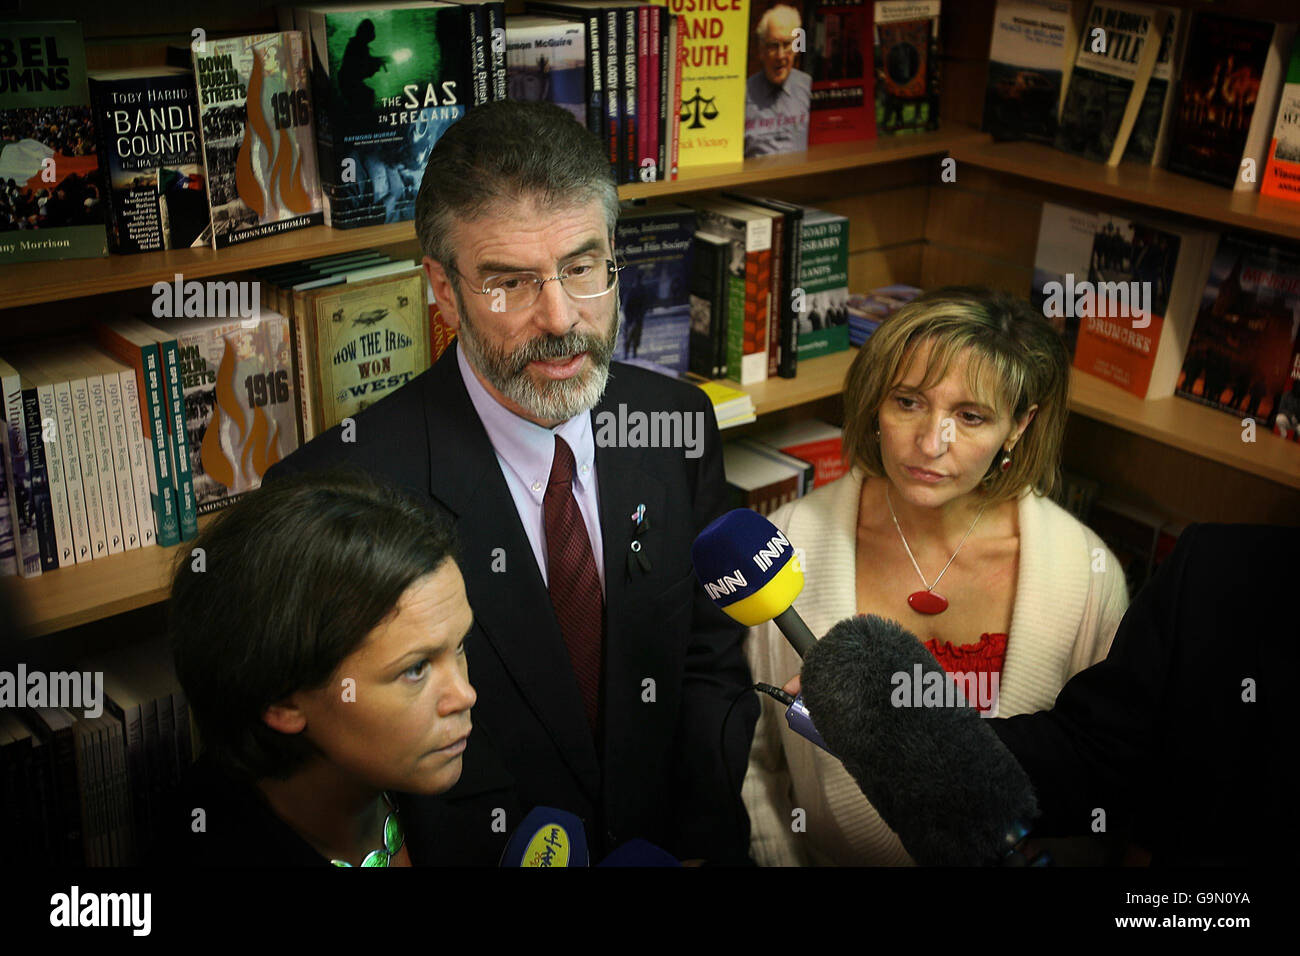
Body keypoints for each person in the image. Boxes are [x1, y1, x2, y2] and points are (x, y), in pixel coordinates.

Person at [265, 99, 758, 865]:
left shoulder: (676, 422)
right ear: (442, 287)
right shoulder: (334, 489)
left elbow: (707, 660)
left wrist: (694, 847)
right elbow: (341, 772)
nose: (561, 318)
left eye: (582, 267)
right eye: (510, 282)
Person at [743, 286, 1129, 865]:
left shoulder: (1085, 572)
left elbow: (1107, 777)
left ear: (1020, 426)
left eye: (970, 417)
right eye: (908, 403)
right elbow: (751, 763)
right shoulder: (785, 542)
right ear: (876, 402)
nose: (930, 443)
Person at [160, 468, 474, 866]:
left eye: (460, 645)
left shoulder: (466, 786)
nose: (465, 694)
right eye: (415, 670)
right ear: (281, 702)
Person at [745, 4, 812, 157]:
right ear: (761, 51)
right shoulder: (744, 95)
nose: (780, 55)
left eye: (787, 45)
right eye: (773, 46)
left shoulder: (809, 89)